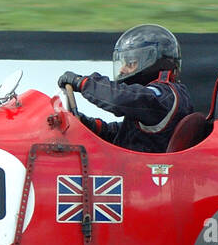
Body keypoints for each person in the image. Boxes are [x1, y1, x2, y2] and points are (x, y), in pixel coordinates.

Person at [58, 24, 193, 153]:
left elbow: (122, 99)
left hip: (142, 172)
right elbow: (126, 134)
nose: (122, 69)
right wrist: (89, 124)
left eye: (131, 63)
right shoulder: (160, 100)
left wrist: (82, 82)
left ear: (154, 62)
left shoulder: (164, 96)